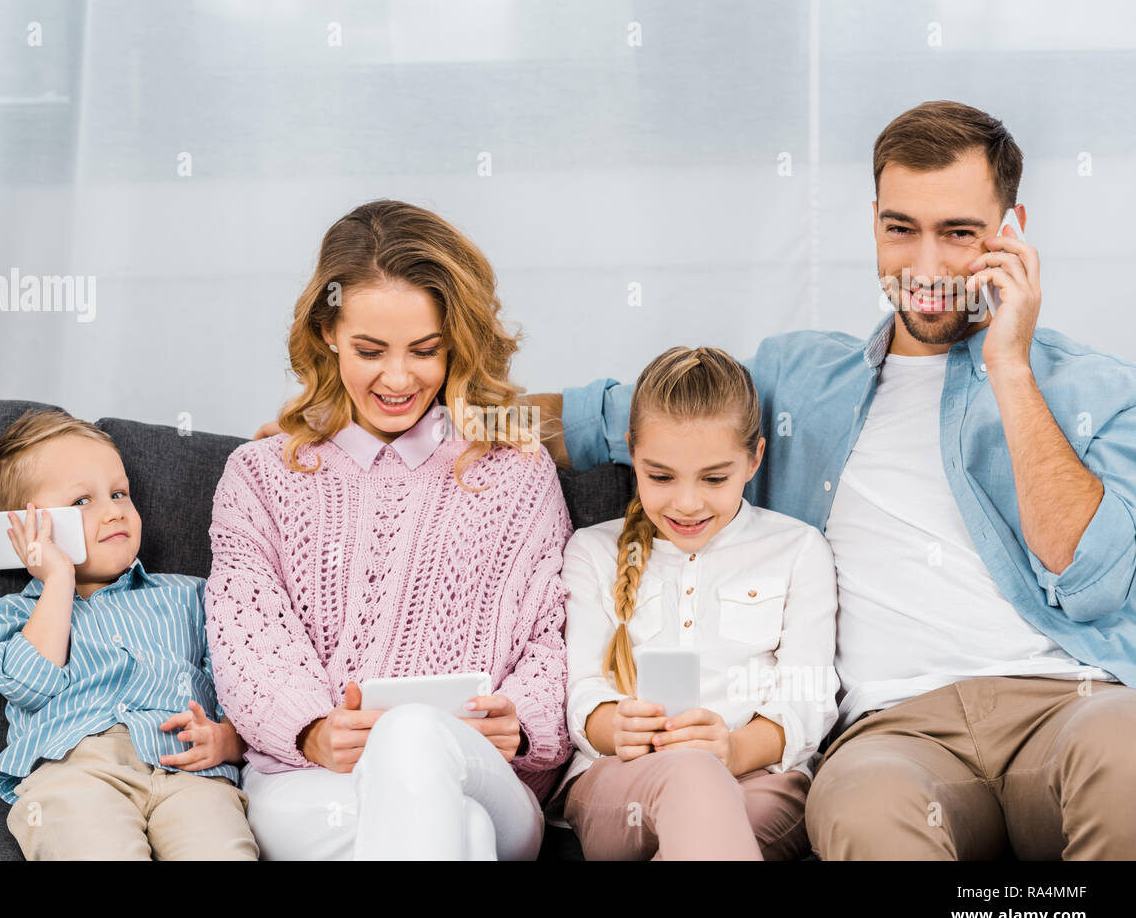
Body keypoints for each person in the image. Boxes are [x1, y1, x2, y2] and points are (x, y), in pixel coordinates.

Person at [531, 100, 1136, 859]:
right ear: (874, 221)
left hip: (1065, 709)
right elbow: (614, 416)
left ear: (1012, 229)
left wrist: (1009, 366)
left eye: (958, 233)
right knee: (859, 810)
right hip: (896, 733)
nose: (924, 266)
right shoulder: (797, 379)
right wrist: (434, 411)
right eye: (900, 228)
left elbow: (1092, 582)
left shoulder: (1095, 389)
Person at [209, 199, 572, 860]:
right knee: (464, 833)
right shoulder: (259, 474)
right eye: (370, 350)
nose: (399, 378)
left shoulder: (517, 469)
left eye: (426, 350)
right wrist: (311, 726)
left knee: (413, 737)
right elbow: (245, 630)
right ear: (326, 331)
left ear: (456, 342)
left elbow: (554, 633)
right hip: (312, 782)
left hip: (488, 773)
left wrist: (520, 723)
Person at [556, 346, 838, 860]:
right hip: (621, 782)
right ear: (632, 455)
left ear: (754, 458)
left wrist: (732, 750)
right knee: (695, 786)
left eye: (714, 478)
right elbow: (580, 689)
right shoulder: (593, 551)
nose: (687, 504)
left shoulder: (798, 550)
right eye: (661, 477)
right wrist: (614, 725)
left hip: (759, 781)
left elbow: (809, 693)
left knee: (709, 815)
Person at [0, 408, 258, 860]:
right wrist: (58, 579)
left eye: (119, 494)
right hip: (76, 771)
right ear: (24, 531)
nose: (113, 513)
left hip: (189, 771)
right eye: (82, 502)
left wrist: (228, 739)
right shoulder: (13, 615)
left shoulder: (192, 596)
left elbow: (243, 688)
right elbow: (32, 683)